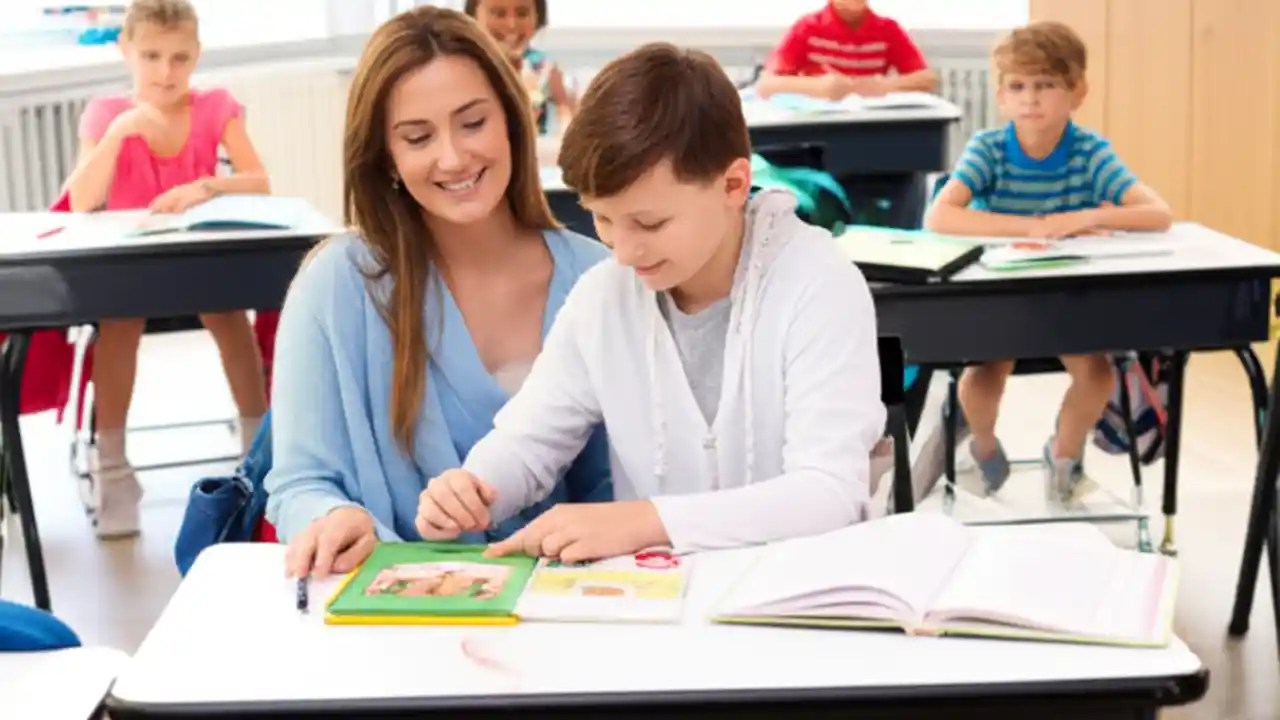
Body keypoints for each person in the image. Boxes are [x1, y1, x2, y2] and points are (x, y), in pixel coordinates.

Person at [416, 43, 886, 564]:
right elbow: (528, 443)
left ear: (734, 184)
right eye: (602, 219)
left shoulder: (818, 285)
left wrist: (645, 521)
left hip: (800, 602)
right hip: (654, 603)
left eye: (650, 223)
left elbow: (829, 493)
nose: (622, 250)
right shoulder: (604, 297)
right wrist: (474, 486)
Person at [266, 6, 612, 581]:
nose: (453, 158)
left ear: (511, 118)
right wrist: (333, 518)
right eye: (418, 137)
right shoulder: (334, 286)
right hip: (397, 618)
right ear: (388, 157)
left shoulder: (599, 278)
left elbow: (628, 481)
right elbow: (300, 482)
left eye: (473, 123)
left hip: (573, 605)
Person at [923, 21, 1173, 504]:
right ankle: (983, 445)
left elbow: (1157, 214)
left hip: (1066, 300)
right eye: (1018, 86)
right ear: (1001, 95)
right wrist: (1031, 228)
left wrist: (1080, 217)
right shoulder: (989, 149)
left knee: (1097, 374)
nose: (1030, 99)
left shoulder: (1090, 152)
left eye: (1047, 85)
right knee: (985, 374)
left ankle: (1064, 458)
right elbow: (940, 215)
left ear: (1077, 91)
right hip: (1002, 297)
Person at [63, 0, 270, 539]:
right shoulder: (105, 113)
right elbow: (82, 199)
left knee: (229, 315)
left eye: (180, 58)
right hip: (131, 260)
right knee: (119, 324)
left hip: (193, 255)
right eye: (151, 56)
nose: (165, 72)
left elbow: (259, 180)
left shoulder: (214, 106)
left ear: (196, 56)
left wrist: (207, 185)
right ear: (126, 51)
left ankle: (259, 457)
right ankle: (114, 469)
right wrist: (117, 135)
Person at [757, 0, 938, 100]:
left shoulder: (888, 29)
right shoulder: (807, 28)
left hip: (869, 127)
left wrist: (882, 86)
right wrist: (820, 87)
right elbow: (767, 85)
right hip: (819, 129)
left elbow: (927, 80)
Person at [464, 0, 575, 135]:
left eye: (522, 14)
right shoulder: (460, 71)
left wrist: (563, 105)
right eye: (499, 14)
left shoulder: (547, 72)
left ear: (538, 16)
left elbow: (569, 138)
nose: (511, 24)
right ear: (472, 16)